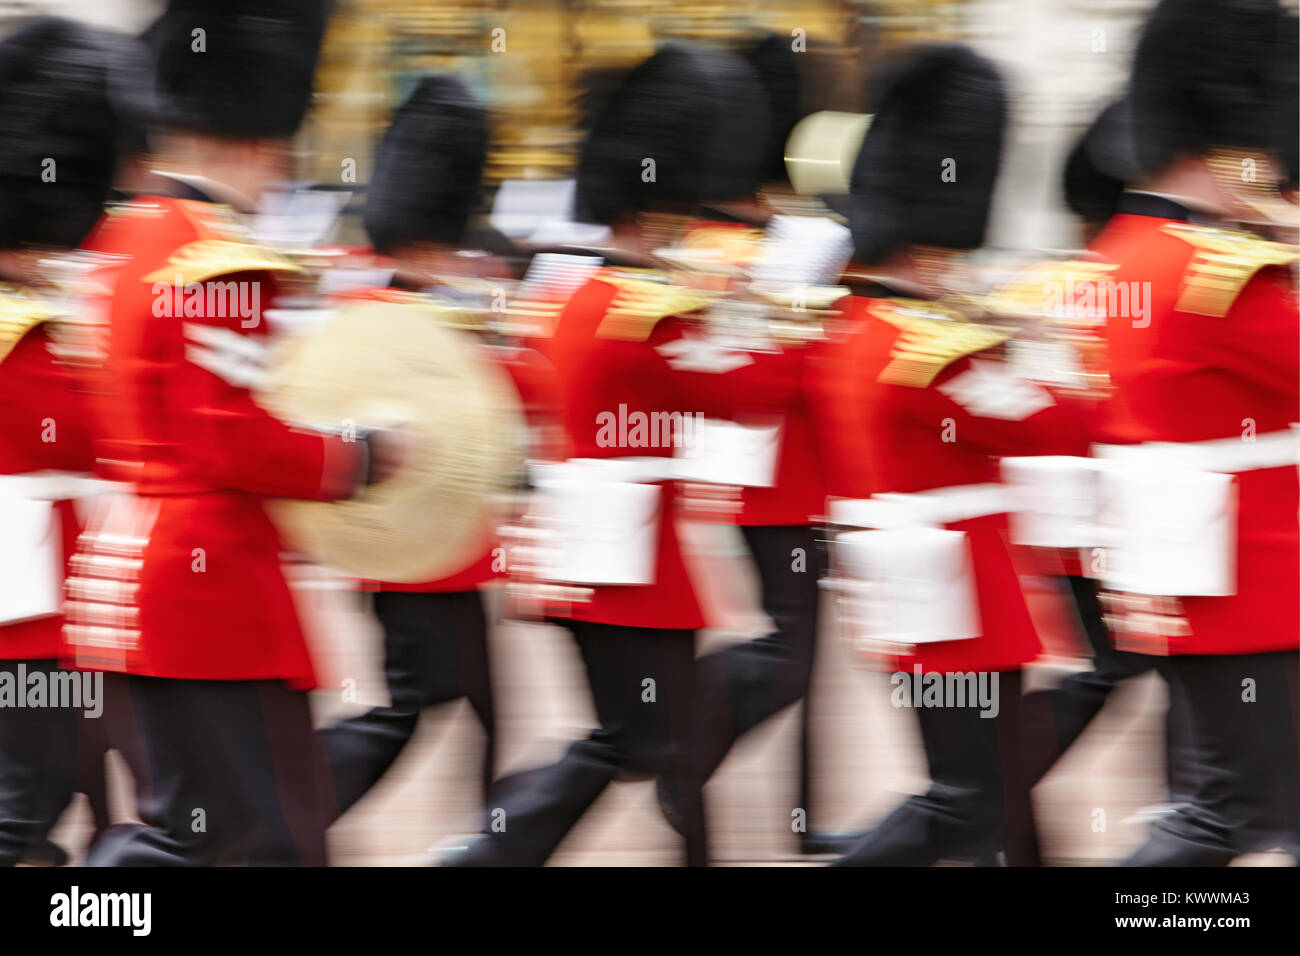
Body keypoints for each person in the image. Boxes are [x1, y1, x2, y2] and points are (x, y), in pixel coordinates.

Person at [67, 0, 402, 866]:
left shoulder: (115, 245)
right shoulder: (218, 258)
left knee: (190, 830)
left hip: (123, 572)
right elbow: (233, 442)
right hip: (208, 595)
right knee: (272, 839)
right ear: (263, 139)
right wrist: (361, 455)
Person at [444, 43, 771, 866]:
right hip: (632, 556)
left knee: (653, 735)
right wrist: (742, 316)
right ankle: (492, 848)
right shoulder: (651, 310)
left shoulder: (561, 295)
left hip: (572, 538)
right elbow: (736, 399)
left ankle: (496, 845)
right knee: (650, 738)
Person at [815, 44, 1088, 867]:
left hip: (918, 584)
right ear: (926, 242)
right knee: (969, 801)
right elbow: (1053, 429)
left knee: (998, 796)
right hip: (955, 595)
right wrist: (1044, 347)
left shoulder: (861, 329)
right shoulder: (934, 351)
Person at [1085, 0, 1299, 866]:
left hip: (1184, 563)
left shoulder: (1119, 253)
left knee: (1234, 806)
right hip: (1252, 568)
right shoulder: (1219, 272)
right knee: (1229, 816)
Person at [321, 74, 559, 823]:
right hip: (404, 545)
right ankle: (292, 811)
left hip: (445, 542)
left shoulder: (409, 299)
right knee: (408, 709)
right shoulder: (389, 310)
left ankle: (487, 835)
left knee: (483, 705)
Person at [0, 17, 124, 866]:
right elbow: (94, 435)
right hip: (32, 602)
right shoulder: (34, 328)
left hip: (58, 597)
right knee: (27, 809)